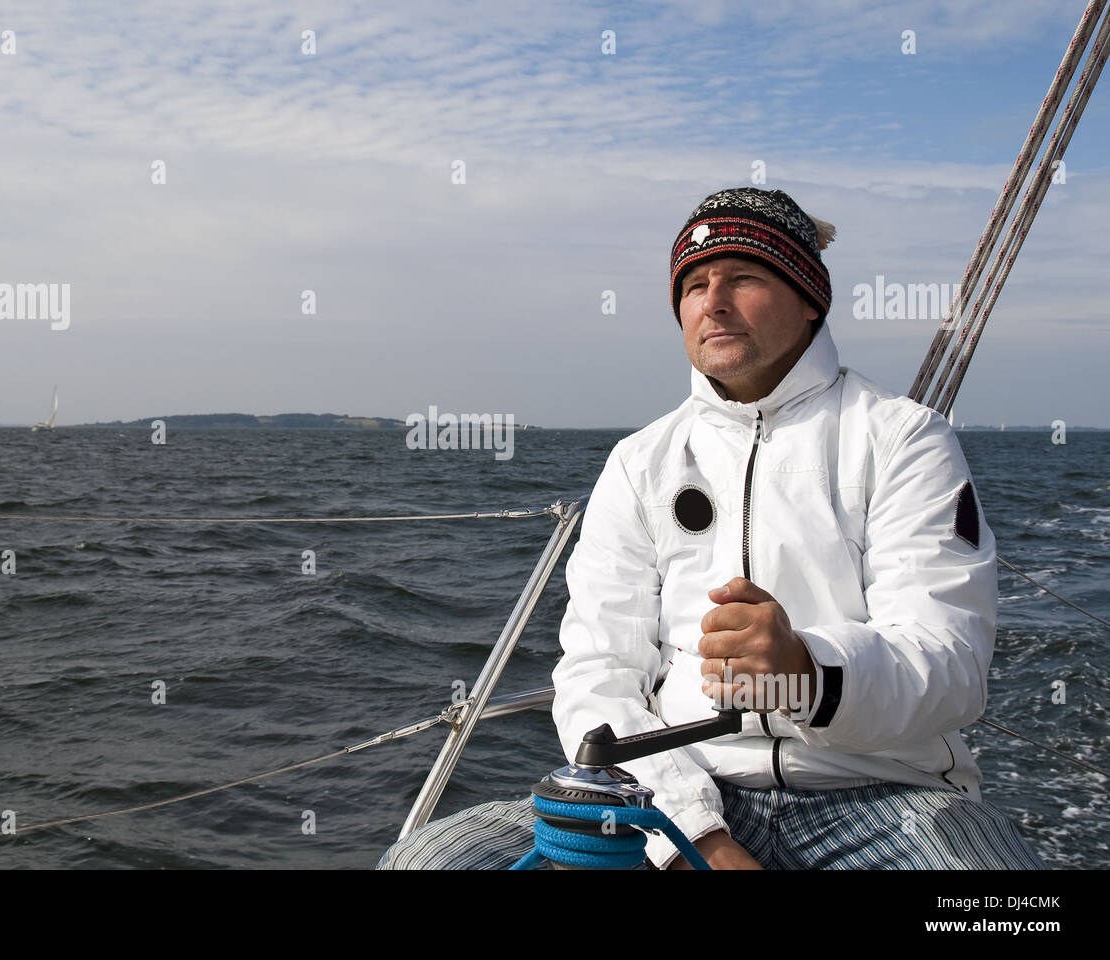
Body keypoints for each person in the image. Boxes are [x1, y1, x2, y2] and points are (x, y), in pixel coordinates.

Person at [377, 186, 1047, 870]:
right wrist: (696, 836)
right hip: (671, 792)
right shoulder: (641, 462)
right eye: (694, 285)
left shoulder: (903, 440)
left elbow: (951, 667)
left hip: (882, 795)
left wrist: (808, 670)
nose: (713, 301)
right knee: (424, 862)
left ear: (810, 297)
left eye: (744, 277)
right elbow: (598, 672)